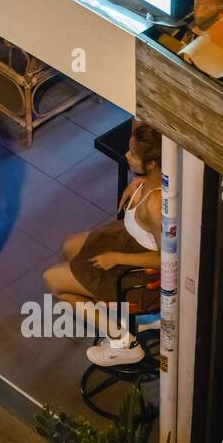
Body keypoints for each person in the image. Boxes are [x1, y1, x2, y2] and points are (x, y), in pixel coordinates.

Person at [43, 121, 162, 365]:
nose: (127, 156)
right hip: (125, 238)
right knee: (68, 246)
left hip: (136, 269)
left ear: (151, 164)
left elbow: (167, 258)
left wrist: (117, 258)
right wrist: (138, 181)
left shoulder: (157, 206)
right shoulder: (148, 181)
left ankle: (124, 342)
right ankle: (108, 308)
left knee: (53, 282)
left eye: (133, 154)